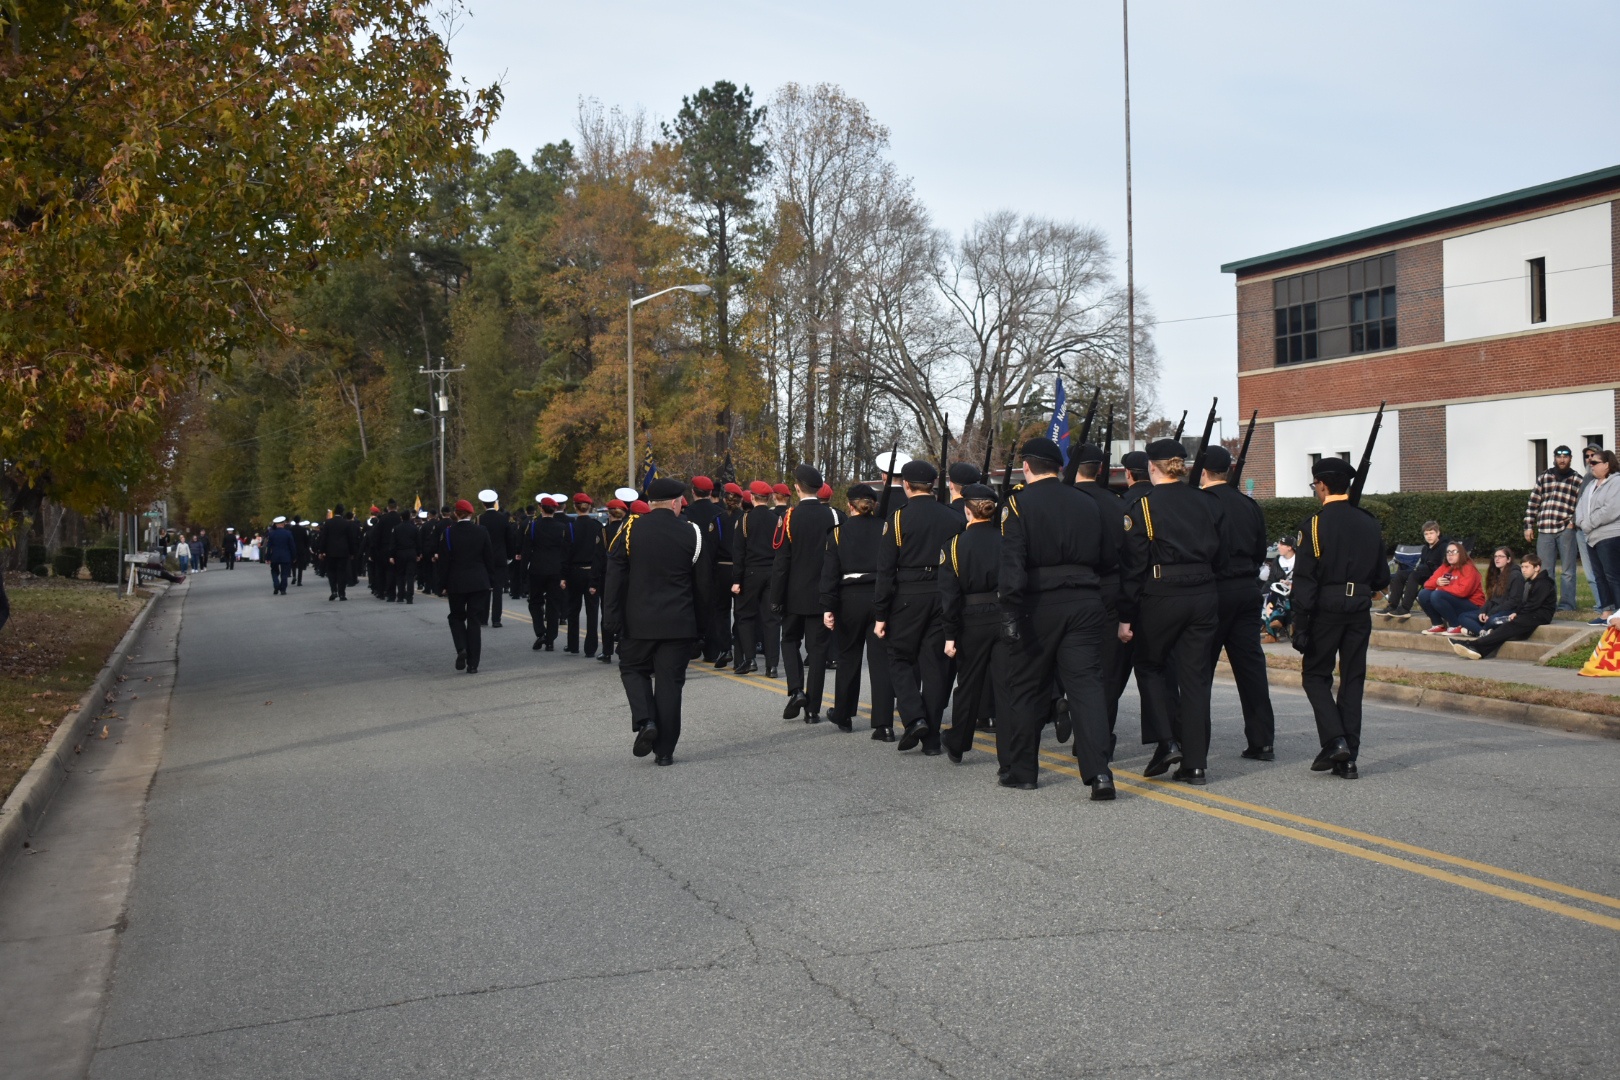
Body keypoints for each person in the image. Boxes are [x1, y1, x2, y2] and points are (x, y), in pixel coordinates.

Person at [1119, 439, 1224, 785]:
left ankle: (1167, 742)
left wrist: (1126, 615)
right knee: (1195, 678)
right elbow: (1221, 551)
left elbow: (1133, 567)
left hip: (1162, 592)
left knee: (1149, 665)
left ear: (1152, 466)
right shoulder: (1207, 501)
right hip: (1204, 591)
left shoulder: (1144, 506)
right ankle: (1195, 765)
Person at [1292, 456, 1390, 780]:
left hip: (1327, 608)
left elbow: (1305, 580)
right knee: (1352, 680)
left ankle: (1336, 741)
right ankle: (1348, 760)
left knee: (1314, 675)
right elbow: (1381, 577)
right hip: (1359, 607)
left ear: (1321, 485)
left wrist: (1300, 623)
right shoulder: (1369, 522)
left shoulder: (1314, 525)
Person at [603, 477, 712, 766]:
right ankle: (665, 751)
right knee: (670, 684)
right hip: (679, 621)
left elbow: (615, 576)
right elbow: (703, 586)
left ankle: (646, 720)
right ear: (676, 503)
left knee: (632, 669)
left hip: (638, 620)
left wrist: (611, 616)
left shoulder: (630, 529)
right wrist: (701, 629)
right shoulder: (693, 532)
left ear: (651, 504)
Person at [874, 458, 964, 756]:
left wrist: (880, 613)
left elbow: (886, 569)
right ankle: (932, 739)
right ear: (934, 485)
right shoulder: (953, 517)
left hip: (908, 595)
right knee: (935, 666)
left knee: (899, 656)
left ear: (906, 485)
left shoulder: (898, 518)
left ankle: (914, 717)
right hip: (944, 592)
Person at [1199, 445, 1277, 762]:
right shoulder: (1248, 504)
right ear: (1229, 470)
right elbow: (1260, 551)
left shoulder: (1201, 503)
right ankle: (1262, 741)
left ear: (1203, 471)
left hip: (1214, 589)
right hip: (1246, 589)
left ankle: (1195, 746)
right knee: (1251, 668)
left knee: (1199, 670)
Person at [820, 484, 896, 736]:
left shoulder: (838, 533)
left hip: (849, 599)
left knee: (848, 658)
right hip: (879, 596)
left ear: (849, 505)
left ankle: (843, 713)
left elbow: (830, 574)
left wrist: (828, 606)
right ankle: (884, 724)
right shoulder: (886, 528)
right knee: (881, 661)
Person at [939, 483, 1004, 765]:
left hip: (971, 619)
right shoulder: (1007, 540)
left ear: (967, 510)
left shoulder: (954, 545)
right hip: (1004, 615)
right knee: (1006, 686)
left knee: (968, 684)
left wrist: (950, 634)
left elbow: (950, 596)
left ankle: (959, 742)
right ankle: (1010, 755)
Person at [1071, 443, 1128, 752]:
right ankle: (1099, 737)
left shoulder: (1066, 499)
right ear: (1101, 470)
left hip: (1073, 590)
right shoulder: (1117, 503)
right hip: (1111, 589)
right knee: (1107, 668)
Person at [772, 464, 837, 723]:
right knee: (818, 651)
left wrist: (776, 597)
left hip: (794, 594)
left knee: (789, 640)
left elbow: (782, 562)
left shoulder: (790, 517)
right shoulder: (832, 516)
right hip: (822, 594)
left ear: (797, 488)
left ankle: (797, 689)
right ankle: (812, 710)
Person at [1452, 554, 1555, 660]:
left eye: (1527, 567)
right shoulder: (1530, 582)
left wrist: (1518, 614)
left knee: (1508, 627)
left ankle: (1474, 645)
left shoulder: (1544, 583)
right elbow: (1525, 603)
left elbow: (1533, 604)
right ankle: (1479, 649)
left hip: (1540, 615)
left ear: (1537, 568)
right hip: (1532, 614)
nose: (1524, 570)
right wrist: (1517, 613)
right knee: (1505, 629)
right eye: (1522, 567)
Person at [436, 499, 498, 674]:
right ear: (471, 514)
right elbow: (489, 557)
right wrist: (491, 580)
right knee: (474, 621)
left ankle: (461, 647)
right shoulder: (481, 531)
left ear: (456, 514)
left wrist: (442, 584)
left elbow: (444, 562)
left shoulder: (448, 533)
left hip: (456, 581)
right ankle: (473, 664)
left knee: (456, 617)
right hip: (479, 581)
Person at [1523, 445, 1585, 611]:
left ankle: (1567, 604)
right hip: (1545, 529)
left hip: (1566, 529)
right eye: (1559, 456)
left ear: (1570, 458)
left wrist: (1573, 522)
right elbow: (1533, 502)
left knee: (1568, 570)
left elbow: (1581, 505)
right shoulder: (1545, 476)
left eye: (1565, 456)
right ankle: (1548, 603)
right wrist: (1528, 526)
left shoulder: (1577, 480)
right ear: (1554, 458)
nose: (1562, 460)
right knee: (1545, 570)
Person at [733, 480, 781, 676]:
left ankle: (750, 659)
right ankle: (772, 665)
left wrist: (736, 580)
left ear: (752, 497)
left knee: (745, 616)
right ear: (768, 498)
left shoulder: (745, 520)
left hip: (751, 573)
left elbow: (739, 553)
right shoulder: (776, 519)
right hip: (772, 572)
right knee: (771, 619)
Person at [1574, 448, 1620, 625]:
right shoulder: (1591, 485)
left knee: (1613, 575)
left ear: (1607, 464)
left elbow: (1611, 509)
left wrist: (1588, 523)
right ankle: (1606, 612)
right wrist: (1581, 522)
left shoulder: (1616, 482)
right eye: (1590, 462)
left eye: (1595, 462)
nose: (1590, 465)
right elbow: (1580, 507)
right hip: (1591, 537)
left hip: (1610, 536)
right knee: (1599, 576)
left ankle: (1619, 613)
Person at [521, 496, 569, 650]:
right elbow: (565, 551)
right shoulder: (562, 527)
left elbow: (526, 550)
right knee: (553, 604)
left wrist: (523, 572)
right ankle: (550, 639)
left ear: (541, 508)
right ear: (554, 510)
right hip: (556, 569)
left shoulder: (533, 526)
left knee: (535, 602)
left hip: (537, 569)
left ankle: (541, 631)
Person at [706, 483, 744, 669]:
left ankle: (725, 648)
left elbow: (711, 548)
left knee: (721, 611)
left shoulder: (717, 520)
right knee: (740, 612)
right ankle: (739, 654)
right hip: (739, 569)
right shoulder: (745, 519)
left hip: (721, 569)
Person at [564, 493, 605, 656]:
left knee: (573, 609)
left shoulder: (571, 527)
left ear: (575, 507)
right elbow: (601, 553)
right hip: (592, 572)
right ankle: (590, 648)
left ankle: (573, 644)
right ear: (590, 507)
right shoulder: (597, 526)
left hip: (575, 571)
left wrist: (563, 575)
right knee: (592, 611)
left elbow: (566, 553)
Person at [1380, 520, 1447, 619]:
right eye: (1426, 534)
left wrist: (1428, 567)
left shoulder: (1444, 547)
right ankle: (1392, 605)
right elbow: (1423, 564)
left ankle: (1405, 608)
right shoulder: (1425, 548)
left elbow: (1444, 566)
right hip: (1423, 573)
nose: (1429, 536)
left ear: (1438, 533)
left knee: (1414, 575)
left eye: (1431, 533)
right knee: (1401, 574)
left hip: (1435, 575)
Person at [1417, 541, 1485, 634]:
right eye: (1448, 552)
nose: (1450, 554)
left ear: (1461, 553)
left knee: (1437, 595)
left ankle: (1456, 625)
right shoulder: (1445, 567)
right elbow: (1427, 584)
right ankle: (1438, 624)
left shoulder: (1469, 568)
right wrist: (1437, 582)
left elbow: (1463, 592)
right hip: (1453, 600)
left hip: (1473, 606)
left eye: (1454, 552)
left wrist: (1441, 588)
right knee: (1423, 594)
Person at [477, 491, 514, 628]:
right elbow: (509, 539)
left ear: (483, 504)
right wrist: (509, 556)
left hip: (484, 559)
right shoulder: (503, 519)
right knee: (498, 590)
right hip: (500, 557)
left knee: (485, 588)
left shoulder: (480, 519)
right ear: (495, 503)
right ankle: (496, 619)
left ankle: (483, 618)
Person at [317, 506, 361, 601]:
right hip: (343, 552)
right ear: (342, 513)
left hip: (330, 551)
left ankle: (334, 591)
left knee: (331, 572)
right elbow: (350, 539)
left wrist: (322, 551)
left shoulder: (328, 523)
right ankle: (342, 593)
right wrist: (352, 552)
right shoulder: (346, 523)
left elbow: (324, 538)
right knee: (342, 572)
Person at [1260, 536, 1296, 642]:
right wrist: (1261, 593)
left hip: (1296, 590)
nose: (1278, 546)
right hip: (1279, 592)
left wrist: (1291, 583)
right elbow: (1271, 580)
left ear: (1289, 547)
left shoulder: (1300, 560)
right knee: (1273, 591)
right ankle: (1276, 621)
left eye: (1282, 545)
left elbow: (1305, 578)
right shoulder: (1277, 560)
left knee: (1274, 593)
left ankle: (1273, 629)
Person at [389, 508, 419, 605]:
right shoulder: (414, 528)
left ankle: (400, 596)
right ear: (409, 517)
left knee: (400, 575)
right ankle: (410, 597)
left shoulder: (396, 528)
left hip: (400, 553)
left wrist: (391, 555)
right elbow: (418, 542)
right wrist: (418, 554)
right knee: (410, 576)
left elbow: (393, 543)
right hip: (411, 552)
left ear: (401, 517)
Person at [265, 517, 297, 594]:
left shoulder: (271, 534)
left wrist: (267, 557)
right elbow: (292, 546)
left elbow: (268, 547)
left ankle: (276, 584)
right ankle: (283, 589)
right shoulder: (288, 533)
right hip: (286, 555)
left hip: (275, 555)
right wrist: (294, 556)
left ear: (276, 525)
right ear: (283, 524)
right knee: (284, 573)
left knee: (274, 571)